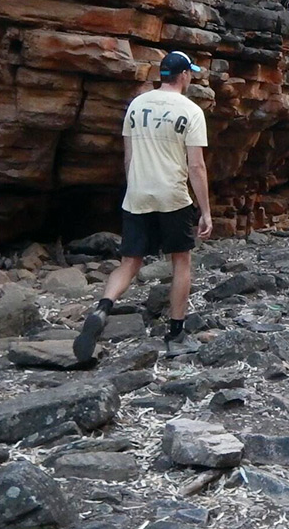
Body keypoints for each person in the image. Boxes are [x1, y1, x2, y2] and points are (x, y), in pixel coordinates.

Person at [73, 51, 212, 362]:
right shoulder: (190, 111)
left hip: (138, 193)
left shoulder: (136, 105)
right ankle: (176, 332)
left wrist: (134, 186)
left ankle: (102, 308)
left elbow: (128, 157)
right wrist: (205, 211)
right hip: (172, 196)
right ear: (184, 76)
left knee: (130, 262)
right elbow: (197, 166)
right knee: (181, 262)